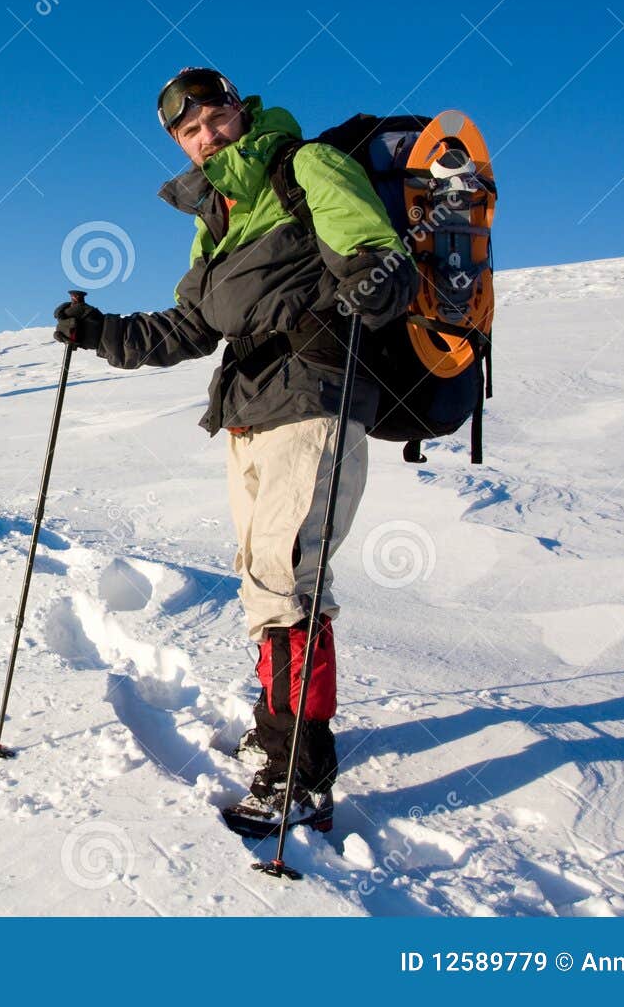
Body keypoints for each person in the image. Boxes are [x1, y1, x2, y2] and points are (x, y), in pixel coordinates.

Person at [53, 67, 417, 835]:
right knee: (262, 582)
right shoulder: (217, 214)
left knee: (289, 583)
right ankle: (274, 727)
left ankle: (300, 771)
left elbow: (381, 260)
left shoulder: (307, 166)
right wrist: (101, 332)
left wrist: (362, 284)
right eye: (188, 132)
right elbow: (191, 327)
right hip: (249, 412)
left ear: (239, 110)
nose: (206, 136)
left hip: (315, 401)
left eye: (214, 117)